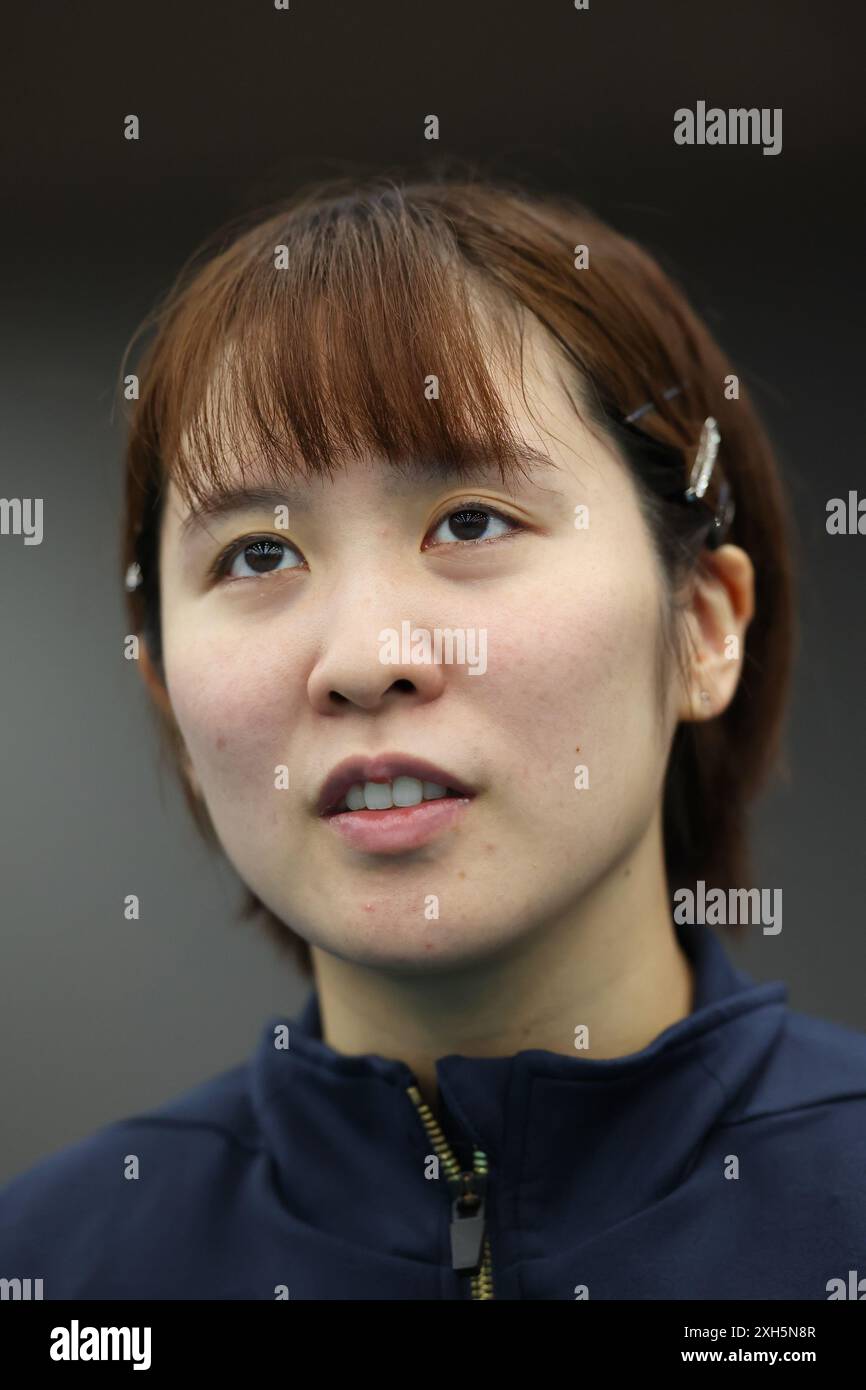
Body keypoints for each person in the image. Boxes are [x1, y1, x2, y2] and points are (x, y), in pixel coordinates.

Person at [2, 174, 864, 1301]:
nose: (365, 658)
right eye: (257, 556)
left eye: (469, 521)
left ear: (699, 626)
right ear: (164, 684)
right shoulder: (56, 1275)